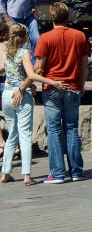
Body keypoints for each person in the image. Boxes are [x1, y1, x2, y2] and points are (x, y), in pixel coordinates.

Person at [34, 2, 91, 183]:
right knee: (72, 128)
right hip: (73, 87)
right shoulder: (80, 36)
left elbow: (39, 67)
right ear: (68, 17)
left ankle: (57, 173)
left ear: (51, 17)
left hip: (52, 87)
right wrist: (81, 85)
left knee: (54, 130)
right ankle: (76, 171)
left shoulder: (45, 38)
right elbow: (84, 66)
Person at [0, 24, 63, 186]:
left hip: (7, 95)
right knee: (25, 135)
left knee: (12, 134)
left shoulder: (6, 53)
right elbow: (32, 75)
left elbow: (8, 72)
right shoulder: (24, 53)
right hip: (21, 96)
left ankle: (5, 173)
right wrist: (53, 82)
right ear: (24, 37)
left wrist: (28, 84)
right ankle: (27, 175)